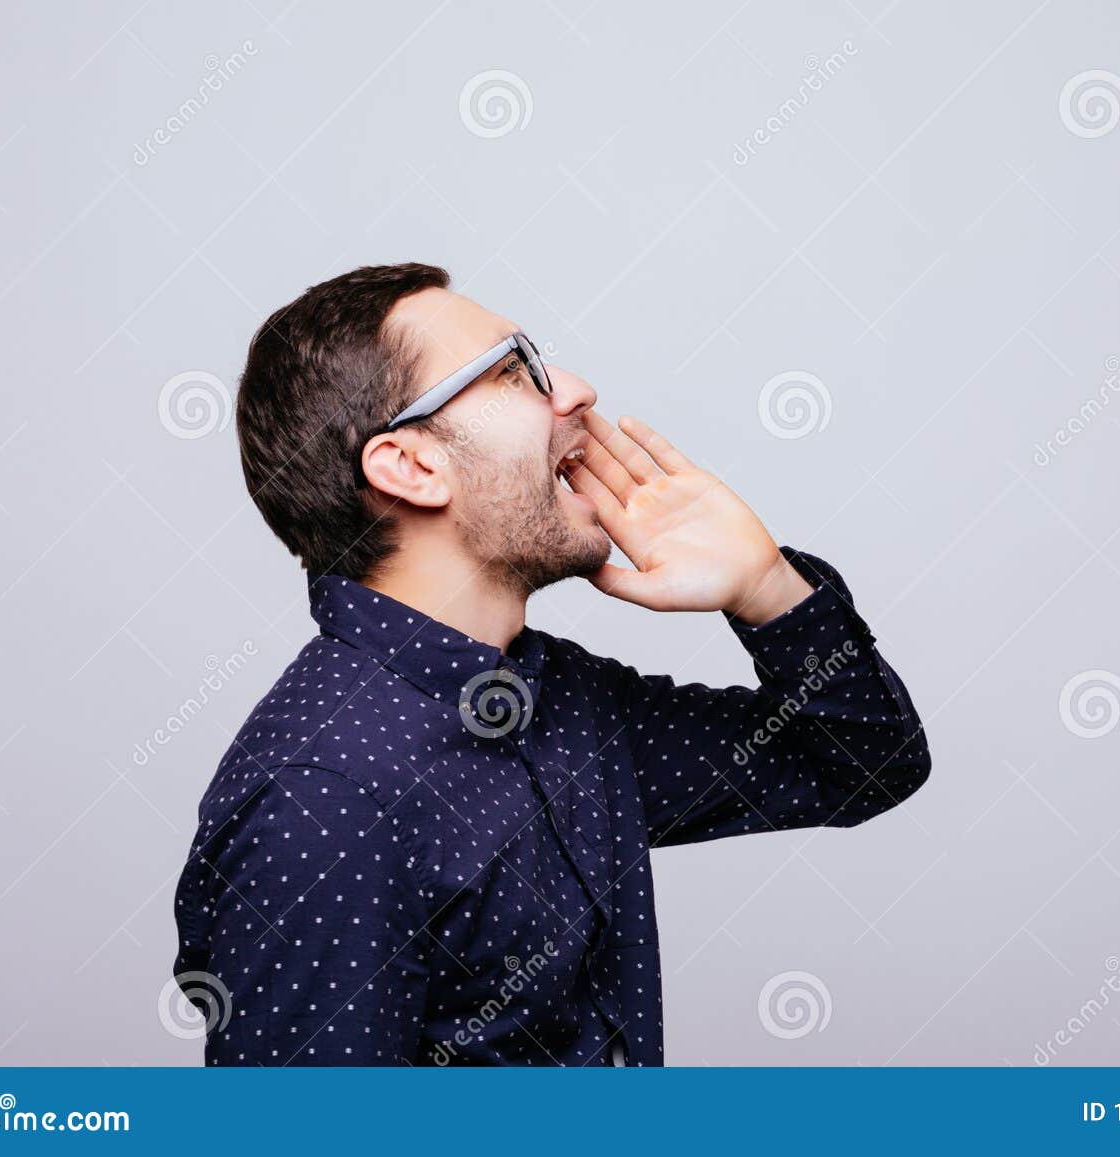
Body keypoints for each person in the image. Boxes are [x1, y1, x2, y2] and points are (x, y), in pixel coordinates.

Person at [170, 263, 932, 1065]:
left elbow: (863, 763)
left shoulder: (560, 699)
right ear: (413, 467)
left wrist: (767, 586)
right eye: (511, 371)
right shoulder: (323, 801)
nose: (572, 389)